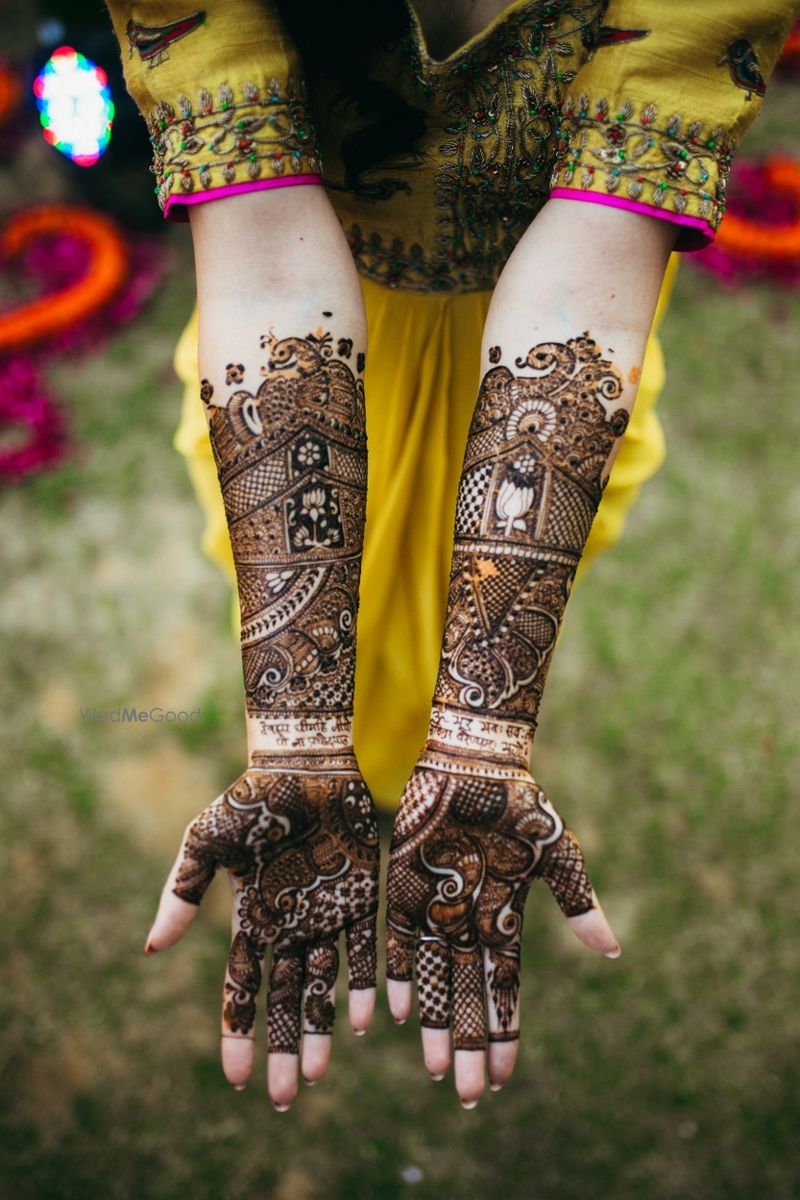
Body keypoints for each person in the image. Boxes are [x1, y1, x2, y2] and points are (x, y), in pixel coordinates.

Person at [104, 0, 798, 1110]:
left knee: (441, 627)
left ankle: (417, 776)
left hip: (541, 361)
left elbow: (587, 272)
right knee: (347, 628)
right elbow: (269, 263)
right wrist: (293, 742)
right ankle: (363, 777)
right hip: (303, 355)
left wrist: (480, 741)